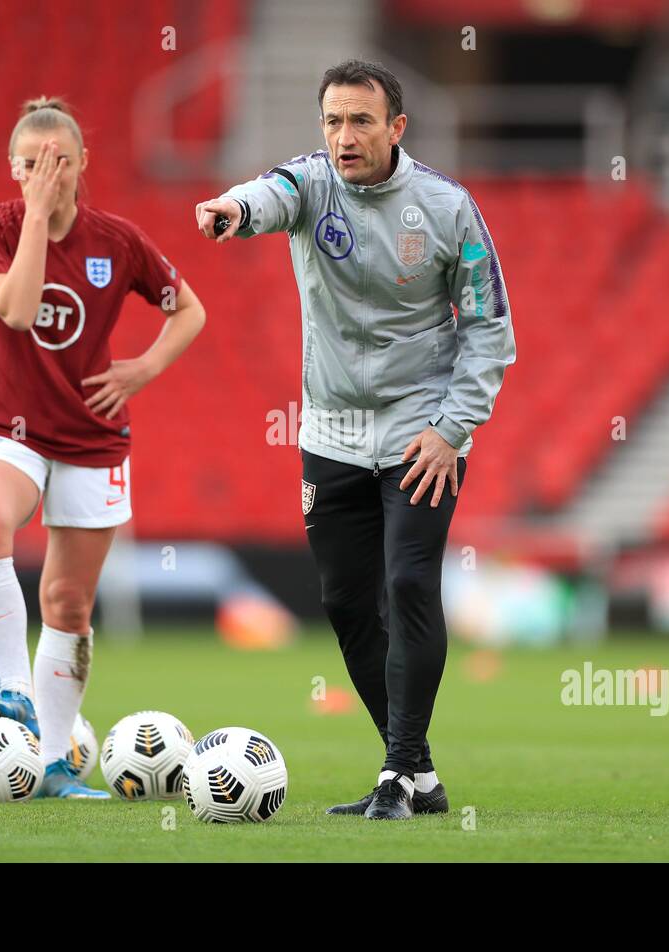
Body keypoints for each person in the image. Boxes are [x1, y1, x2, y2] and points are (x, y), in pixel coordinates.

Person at [196, 59, 515, 819]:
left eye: (361, 121)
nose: (344, 136)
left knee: (407, 585)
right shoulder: (310, 185)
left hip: (420, 435)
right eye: (333, 121)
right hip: (331, 432)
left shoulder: (447, 208)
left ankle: (397, 773)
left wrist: (452, 429)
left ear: (396, 128)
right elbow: (265, 195)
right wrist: (230, 211)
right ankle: (420, 775)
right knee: (344, 603)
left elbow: (489, 330)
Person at [0, 97, 206, 798]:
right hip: (4, 422)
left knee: (67, 605)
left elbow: (189, 309)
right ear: (13, 168)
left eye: (60, 161)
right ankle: (12, 692)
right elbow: (15, 307)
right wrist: (36, 216)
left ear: (83, 163)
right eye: (32, 163)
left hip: (91, 434)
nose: (47, 174)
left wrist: (142, 367)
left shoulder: (117, 241)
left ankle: (57, 764)